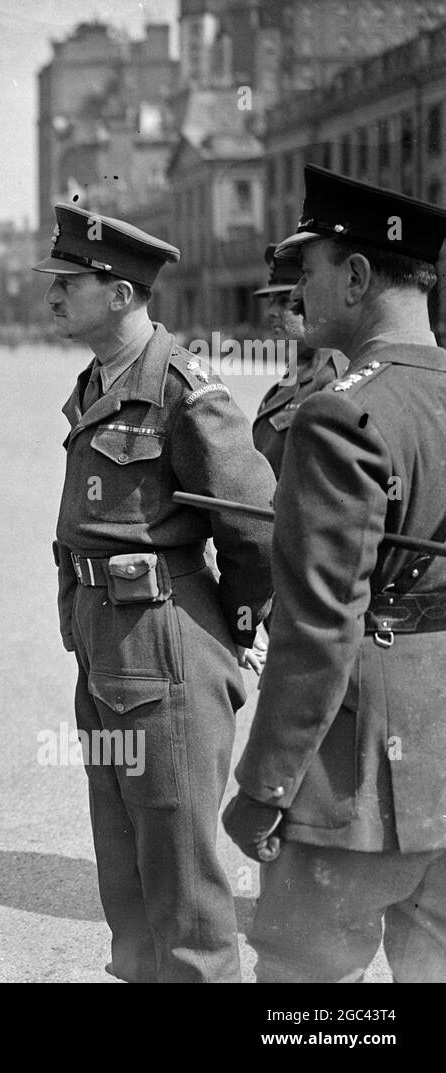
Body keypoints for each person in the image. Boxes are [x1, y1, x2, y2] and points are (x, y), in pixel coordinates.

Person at [36, 203, 275, 982]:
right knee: (126, 870)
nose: (54, 296)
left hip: (165, 654)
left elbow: (257, 527)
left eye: (68, 283)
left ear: (120, 292)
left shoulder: (182, 389)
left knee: (183, 886)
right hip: (102, 650)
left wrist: (232, 629)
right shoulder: (99, 380)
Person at [224, 166, 446, 982]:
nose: (299, 290)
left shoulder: (340, 414)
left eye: (308, 270)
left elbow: (320, 629)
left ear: (356, 276)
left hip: (353, 778)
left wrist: (264, 786)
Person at [250, 243, 347, 476]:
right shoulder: (296, 374)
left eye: (285, 301)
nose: (271, 312)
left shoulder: (336, 378)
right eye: (271, 301)